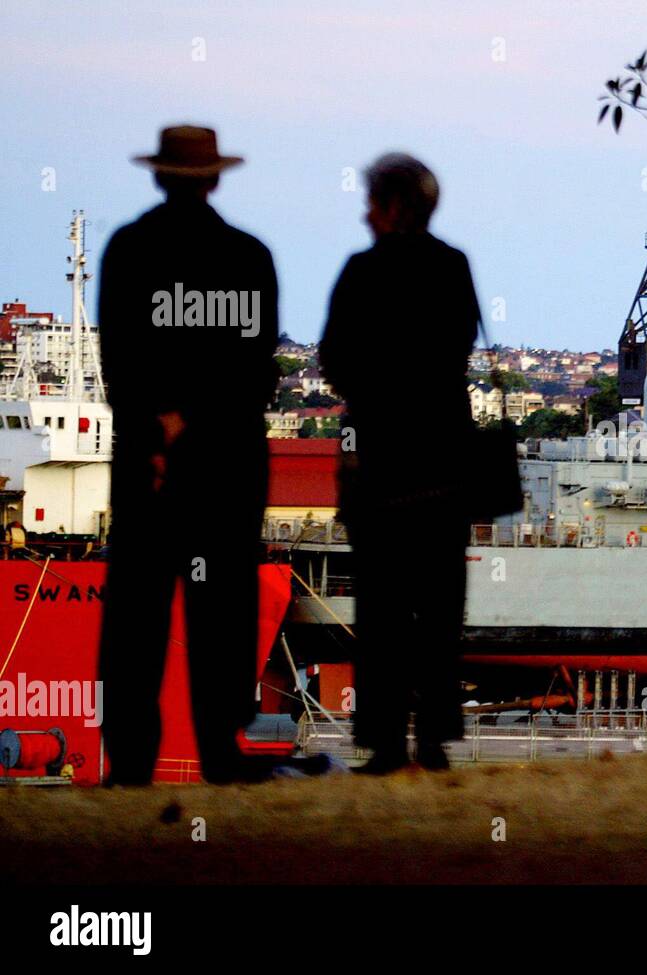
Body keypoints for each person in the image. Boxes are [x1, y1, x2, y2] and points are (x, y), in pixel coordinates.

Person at [97, 125, 280, 785]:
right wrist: (197, 418)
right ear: (214, 178)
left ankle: (130, 762)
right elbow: (255, 370)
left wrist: (157, 428)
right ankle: (221, 748)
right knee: (224, 608)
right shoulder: (249, 257)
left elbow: (117, 357)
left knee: (135, 615)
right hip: (226, 461)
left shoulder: (126, 250)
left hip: (145, 463)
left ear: (157, 175)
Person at [319, 152, 478, 774]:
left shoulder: (362, 271)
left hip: (378, 463)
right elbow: (459, 347)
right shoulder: (453, 266)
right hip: (442, 461)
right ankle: (434, 739)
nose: (365, 212)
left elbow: (334, 358)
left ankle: (383, 743)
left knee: (381, 611)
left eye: (373, 201)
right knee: (439, 610)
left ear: (390, 207)